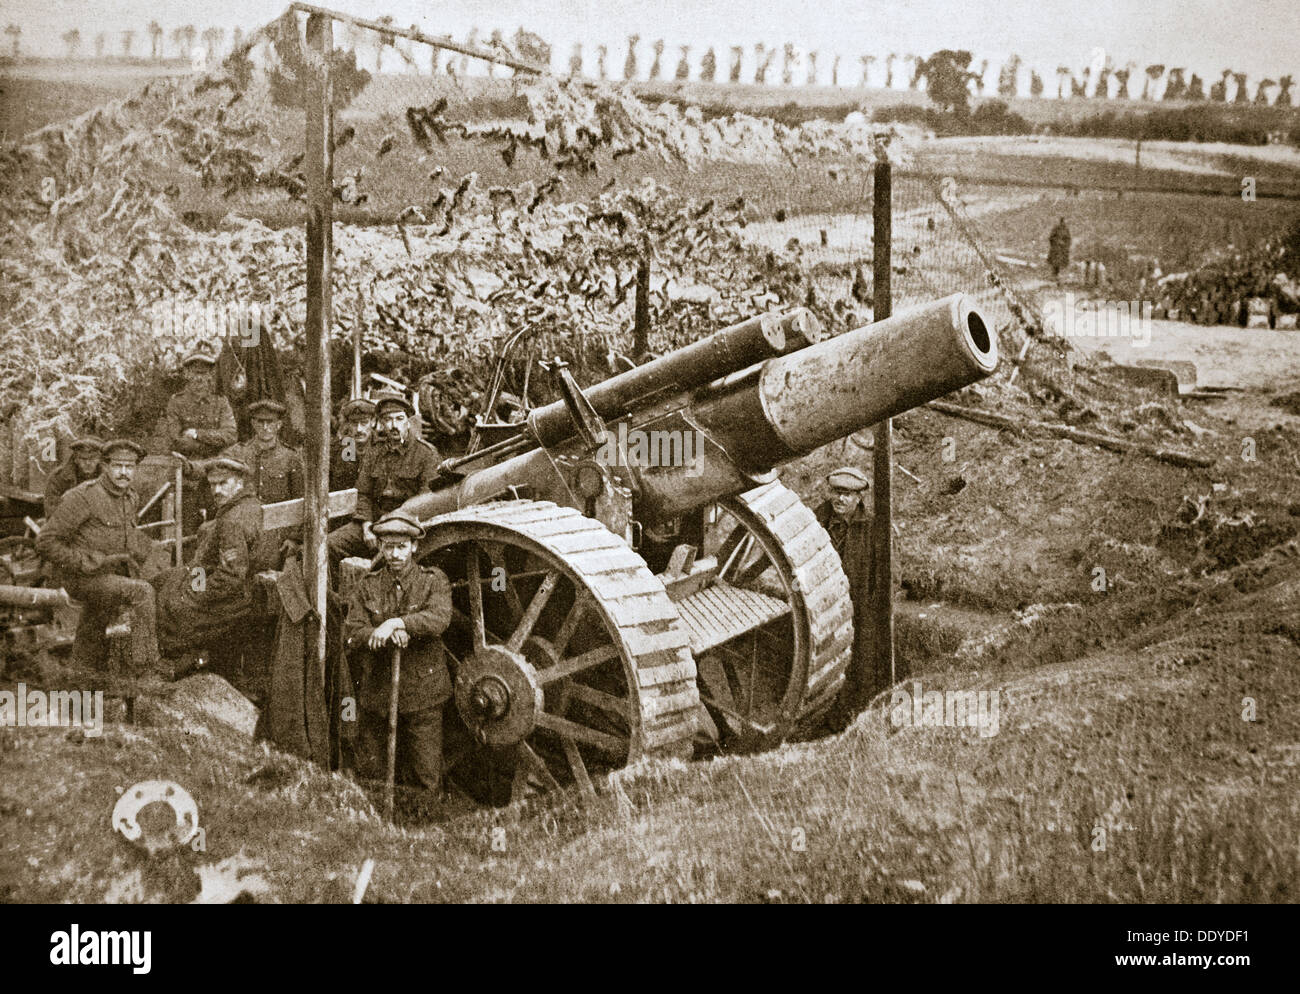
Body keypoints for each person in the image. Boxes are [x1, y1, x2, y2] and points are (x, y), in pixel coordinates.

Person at [342, 510, 453, 806]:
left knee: (425, 774)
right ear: (380, 546)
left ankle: (424, 825)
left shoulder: (433, 581)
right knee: (374, 773)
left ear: (414, 547)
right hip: (378, 693)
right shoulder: (368, 585)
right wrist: (380, 634)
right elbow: (352, 632)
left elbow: (439, 618)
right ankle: (380, 824)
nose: (394, 554)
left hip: (423, 693)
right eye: (388, 546)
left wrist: (398, 623)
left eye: (401, 547)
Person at [35, 439, 160, 676]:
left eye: (130, 467)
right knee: (142, 592)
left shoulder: (130, 497)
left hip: (108, 577)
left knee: (96, 625)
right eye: (118, 466)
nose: (124, 472)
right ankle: (145, 671)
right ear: (105, 466)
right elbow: (45, 542)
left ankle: (82, 671)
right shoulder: (83, 496)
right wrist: (84, 562)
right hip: (81, 578)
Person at [154, 457, 276, 698]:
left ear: (239, 482)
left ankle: (181, 661)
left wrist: (196, 592)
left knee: (172, 604)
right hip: (242, 585)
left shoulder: (232, 520)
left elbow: (230, 577)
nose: (217, 490)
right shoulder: (249, 504)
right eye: (212, 484)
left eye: (223, 483)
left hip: (235, 597)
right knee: (164, 580)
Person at [327, 392, 440, 568]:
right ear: (380, 423)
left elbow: (427, 500)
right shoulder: (375, 452)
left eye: (399, 419)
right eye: (388, 420)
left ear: (408, 422)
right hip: (373, 523)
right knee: (329, 545)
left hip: (406, 526)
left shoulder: (425, 454)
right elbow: (363, 493)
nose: (394, 425)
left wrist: (396, 528)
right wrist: (366, 527)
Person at [151, 347, 238, 534]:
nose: (199, 378)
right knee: (186, 530)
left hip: (216, 475)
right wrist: (214, 441)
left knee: (219, 526)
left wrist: (197, 434)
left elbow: (231, 435)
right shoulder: (177, 402)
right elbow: (177, 440)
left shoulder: (220, 402)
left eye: (204, 373)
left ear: (210, 375)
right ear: (187, 374)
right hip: (186, 477)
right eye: (195, 373)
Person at [814, 466, 875, 722]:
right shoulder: (816, 521)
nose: (840, 499)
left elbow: (889, 573)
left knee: (858, 661)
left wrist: (873, 606)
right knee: (823, 660)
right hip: (823, 607)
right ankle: (823, 715)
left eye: (847, 495)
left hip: (860, 607)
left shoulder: (872, 527)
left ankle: (853, 715)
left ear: (859, 497)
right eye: (837, 492)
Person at [221, 399, 304, 505]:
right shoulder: (238, 453)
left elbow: (298, 500)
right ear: (253, 423)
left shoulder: (290, 457)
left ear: (279, 425)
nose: (265, 427)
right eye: (260, 422)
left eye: (270, 422)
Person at [43, 436, 103, 519]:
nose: (88, 463)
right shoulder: (58, 478)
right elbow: (52, 513)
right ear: (76, 459)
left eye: (92, 458)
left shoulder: (109, 477)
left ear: (99, 459)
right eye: (83, 459)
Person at [330, 396, 376, 492]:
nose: (359, 429)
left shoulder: (383, 447)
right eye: (354, 423)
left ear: (373, 422)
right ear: (348, 424)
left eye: (364, 423)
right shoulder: (337, 449)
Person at [1048, 217, 1072, 281]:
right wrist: (1057, 242)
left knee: (1060, 264)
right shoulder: (1056, 228)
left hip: (1062, 250)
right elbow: (1051, 238)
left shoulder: (1066, 230)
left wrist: (1065, 245)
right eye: (1063, 222)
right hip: (1056, 249)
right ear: (1061, 222)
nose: (1064, 223)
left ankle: (1058, 276)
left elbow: (1068, 239)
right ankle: (1054, 276)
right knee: (1055, 263)